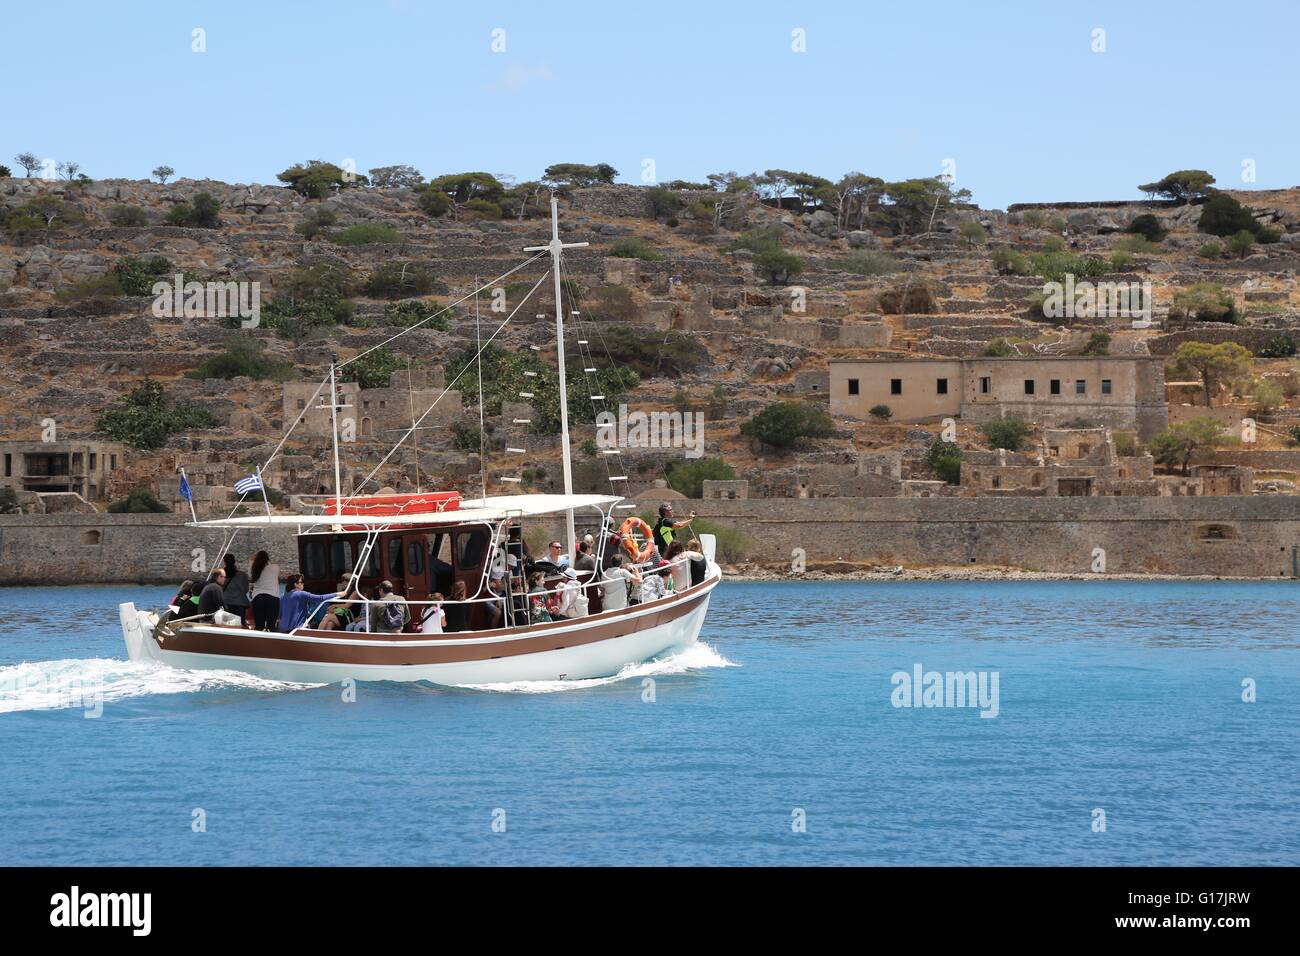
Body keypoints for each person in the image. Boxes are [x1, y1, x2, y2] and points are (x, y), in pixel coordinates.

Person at [249, 550, 282, 631]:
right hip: (272, 598)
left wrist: (253, 560)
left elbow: (250, 575)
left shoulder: (253, 569)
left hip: (258, 598)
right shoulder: (275, 567)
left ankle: (257, 643)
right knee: (271, 626)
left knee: (259, 626)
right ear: (267, 559)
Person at [221, 553, 251, 627]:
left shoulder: (222, 574)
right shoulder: (243, 575)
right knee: (239, 626)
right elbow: (246, 589)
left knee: (226, 626)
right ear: (234, 562)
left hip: (226, 603)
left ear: (224, 562)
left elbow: (219, 588)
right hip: (239, 604)